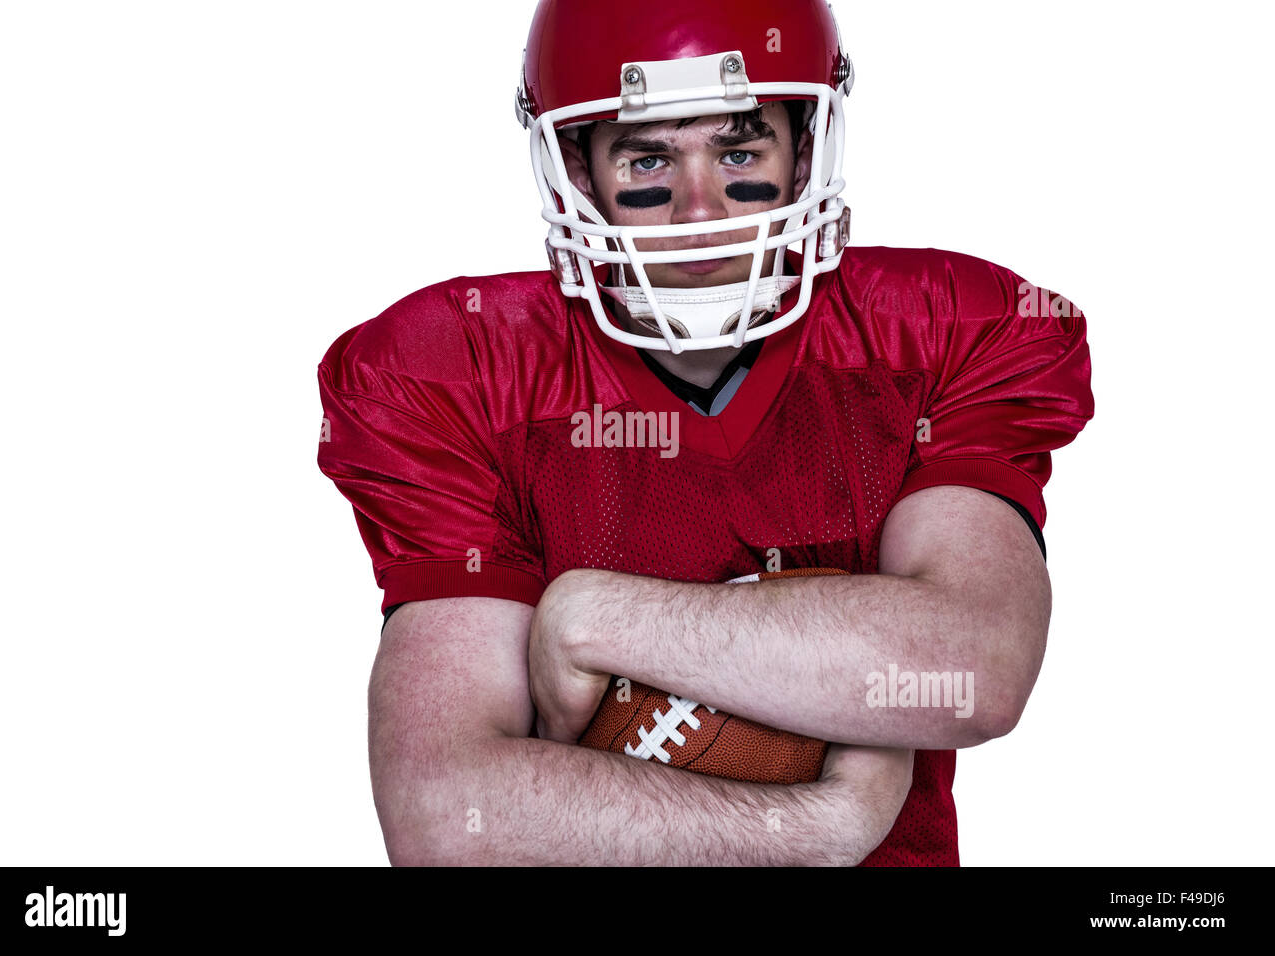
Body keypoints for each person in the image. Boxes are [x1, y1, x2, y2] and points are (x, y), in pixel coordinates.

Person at [316, 0, 1094, 866]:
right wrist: (810, 831)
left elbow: (974, 672)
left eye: (738, 150)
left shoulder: (948, 331)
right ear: (576, 167)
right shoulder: (458, 368)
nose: (698, 212)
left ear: (804, 149)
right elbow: (443, 814)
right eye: (649, 156)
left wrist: (590, 617)